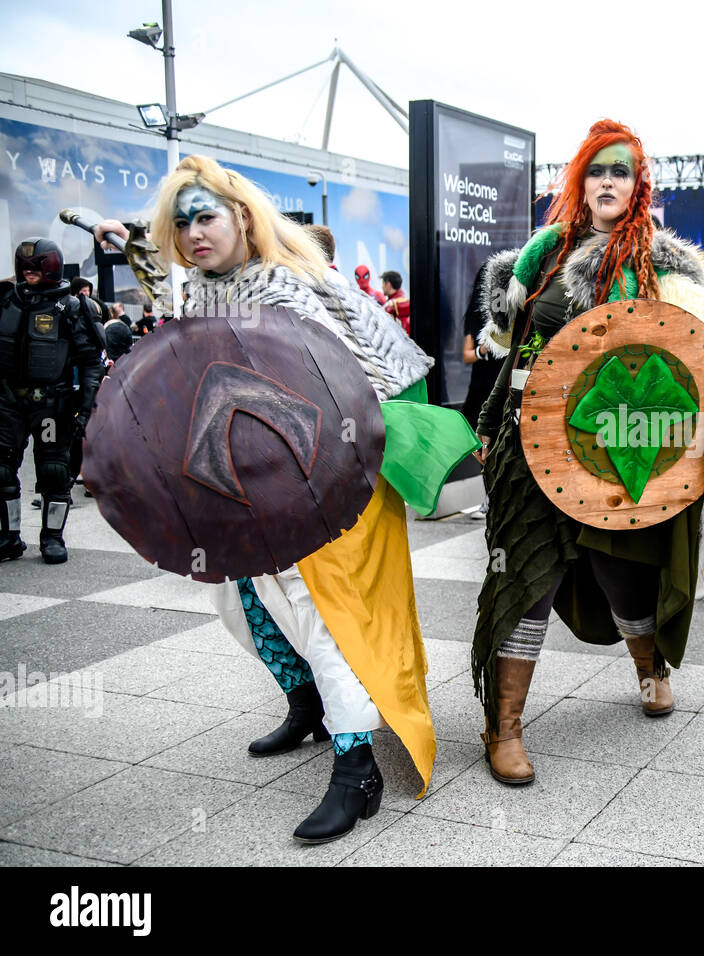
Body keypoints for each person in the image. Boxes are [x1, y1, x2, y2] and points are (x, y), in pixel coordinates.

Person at [92, 154, 466, 842]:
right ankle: (307, 709)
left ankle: (358, 770)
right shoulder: (200, 293)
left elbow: (367, 379)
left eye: (206, 216)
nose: (195, 232)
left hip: (322, 482)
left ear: (241, 216)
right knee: (245, 602)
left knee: (324, 615)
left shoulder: (296, 285)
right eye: (182, 223)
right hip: (240, 484)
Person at [472, 118, 704, 785]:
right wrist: (491, 418)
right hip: (531, 438)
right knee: (524, 572)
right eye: (597, 170)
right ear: (578, 180)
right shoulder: (543, 256)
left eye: (622, 171)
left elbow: (689, 366)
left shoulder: (664, 264)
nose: (608, 182)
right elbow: (520, 349)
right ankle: (504, 724)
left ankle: (650, 668)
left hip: (616, 445)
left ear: (638, 184)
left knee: (623, 571)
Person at [0, 239, 105, 563]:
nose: (30, 273)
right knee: (2, 470)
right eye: (25, 267)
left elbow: (91, 362)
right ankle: (9, 537)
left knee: (54, 470)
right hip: (9, 402)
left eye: (36, 267)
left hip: (51, 405)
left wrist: (85, 409)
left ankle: (52, 537)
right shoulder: (6, 300)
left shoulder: (73, 307)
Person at [461, 261, 501, 520]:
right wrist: (481, 350)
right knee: (479, 442)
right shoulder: (475, 317)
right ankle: (488, 494)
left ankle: (494, 497)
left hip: (500, 387)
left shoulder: (509, 313)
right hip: (480, 387)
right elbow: (465, 355)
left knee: (497, 440)